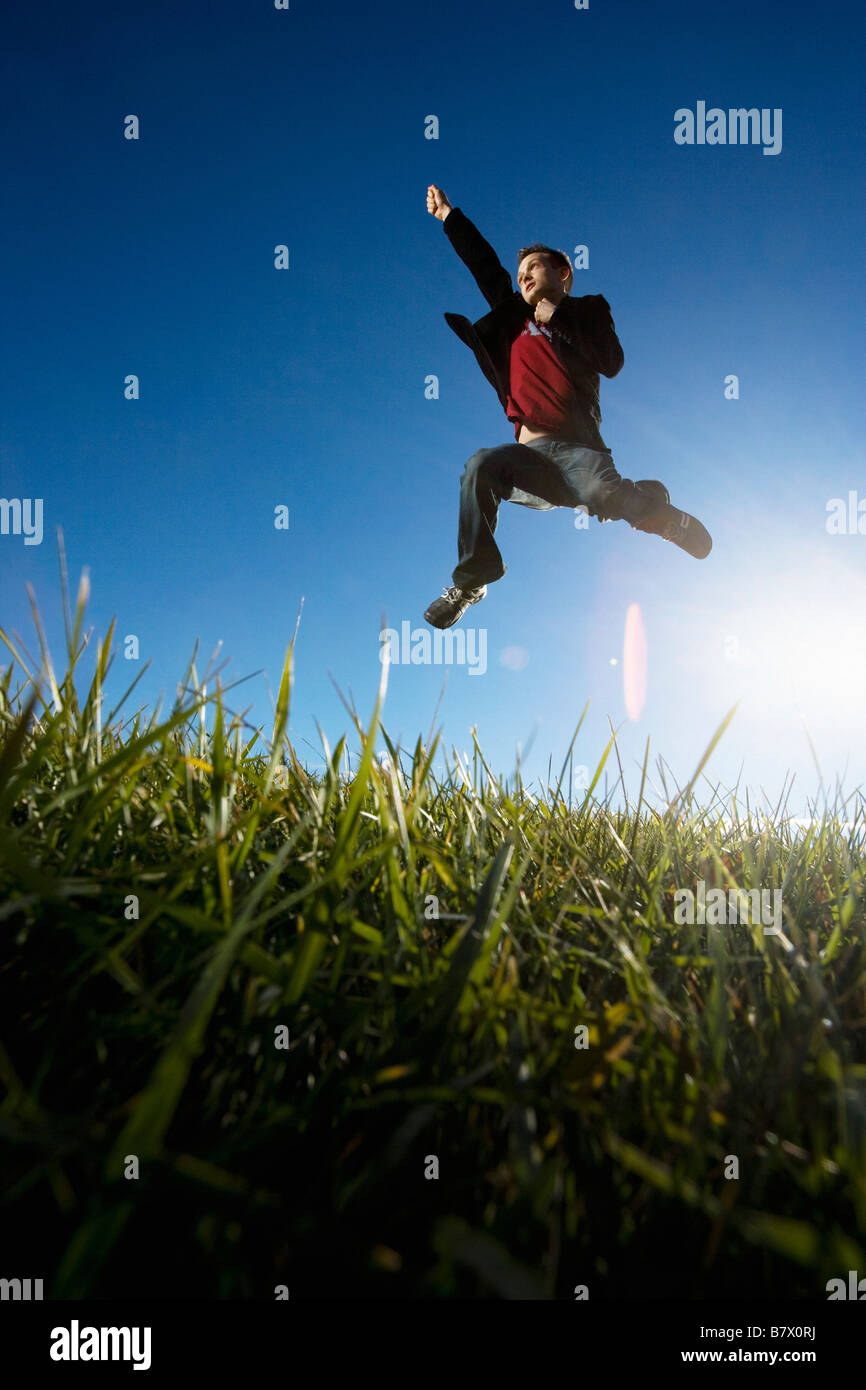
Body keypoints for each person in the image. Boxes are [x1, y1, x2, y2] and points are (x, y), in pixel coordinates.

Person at [423, 185, 712, 630]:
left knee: (603, 495)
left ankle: (659, 514)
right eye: (519, 272)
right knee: (481, 466)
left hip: (578, 450)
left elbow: (611, 363)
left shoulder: (587, 311)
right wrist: (448, 216)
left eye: (533, 267)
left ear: (563, 273)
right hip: (529, 459)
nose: (523, 276)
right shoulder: (512, 317)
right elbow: (484, 266)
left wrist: (557, 318)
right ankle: (472, 580)